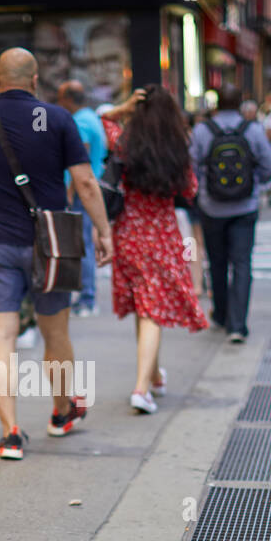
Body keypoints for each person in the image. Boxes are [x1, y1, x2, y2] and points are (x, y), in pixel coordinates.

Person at [0, 47, 113, 460]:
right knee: (56, 332)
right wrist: (103, 230)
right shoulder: (58, 119)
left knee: (1, 334)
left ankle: (10, 433)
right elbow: (86, 182)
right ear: (36, 80)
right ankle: (60, 413)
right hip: (52, 242)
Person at [101, 85, 205, 413]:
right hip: (160, 234)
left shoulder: (126, 143)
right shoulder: (177, 149)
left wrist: (126, 106)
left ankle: (155, 376)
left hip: (128, 234)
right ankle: (141, 389)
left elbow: (103, 118)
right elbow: (190, 190)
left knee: (146, 308)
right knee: (151, 309)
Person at [190, 85, 271, 344]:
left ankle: (220, 315)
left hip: (211, 207)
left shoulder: (202, 130)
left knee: (216, 262)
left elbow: (191, 168)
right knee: (242, 264)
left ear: (217, 103)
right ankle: (237, 325)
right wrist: (254, 185)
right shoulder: (252, 130)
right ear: (241, 103)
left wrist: (201, 191)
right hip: (245, 208)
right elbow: (270, 166)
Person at [57, 80, 107, 317]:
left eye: (60, 97)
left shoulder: (81, 122)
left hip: (82, 194)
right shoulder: (90, 118)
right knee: (84, 244)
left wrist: (68, 192)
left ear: (68, 98)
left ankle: (87, 298)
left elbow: (80, 164)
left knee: (84, 245)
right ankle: (86, 296)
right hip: (89, 191)